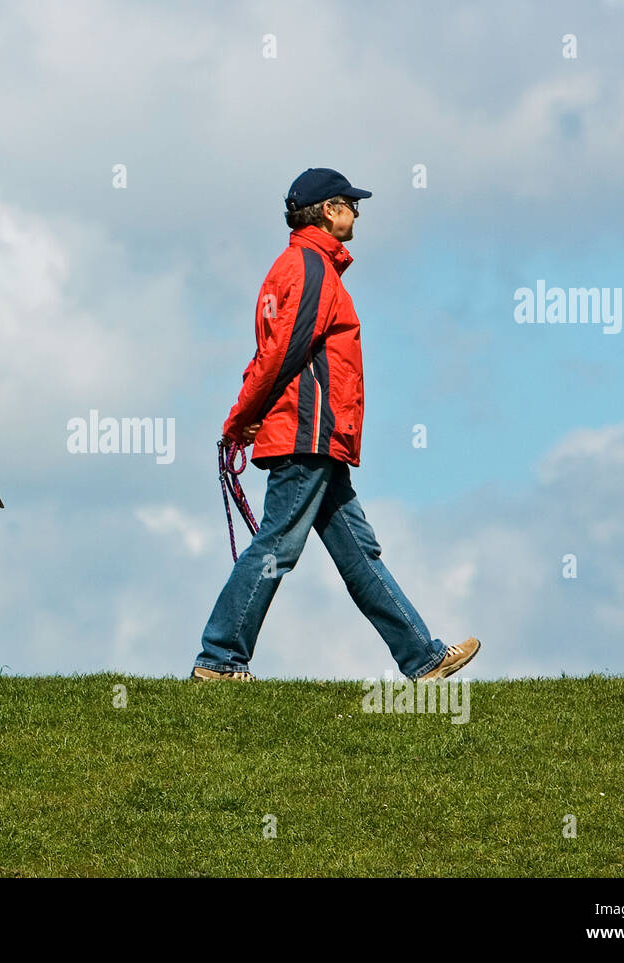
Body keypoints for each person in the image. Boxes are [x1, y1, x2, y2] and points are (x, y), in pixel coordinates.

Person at [191, 167, 480, 682]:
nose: (358, 211)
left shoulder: (296, 266)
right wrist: (241, 420)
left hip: (315, 435)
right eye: (351, 202)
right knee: (276, 545)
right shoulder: (310, 268)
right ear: (328, 209)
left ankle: (422, 658)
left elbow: (271, 354)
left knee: (358, 553)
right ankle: (219, 658)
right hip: (309, 435)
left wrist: (250, 417)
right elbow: (281, 354)